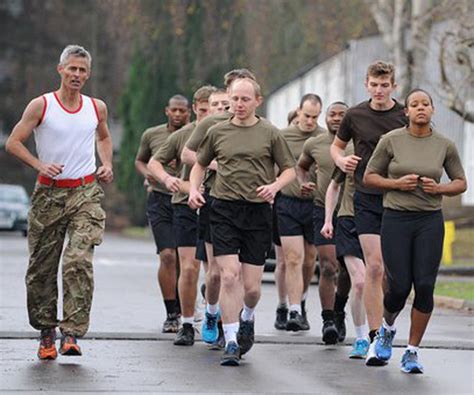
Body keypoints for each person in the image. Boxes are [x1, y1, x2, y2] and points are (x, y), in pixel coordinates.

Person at [5, 45, 113, 359]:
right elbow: (13, 142)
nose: (77, 75)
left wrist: (106, 164)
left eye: (82, 70)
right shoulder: (42, 105)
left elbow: (104, 137)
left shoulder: (96, 108)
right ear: (60, 69)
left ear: (88, 74)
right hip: (48, 195)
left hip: (85, 192)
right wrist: (39, 165)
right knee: (42, 268)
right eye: (72, 69)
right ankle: (46, 333)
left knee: (78, 261)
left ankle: (72, 333)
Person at [189, 78, 296, 366]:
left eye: (244, 99)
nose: (238, 105)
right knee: (228, 275)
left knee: (251, 288)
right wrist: (193, 190)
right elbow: (199, 164)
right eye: (234, 99)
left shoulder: (270, 133)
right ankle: (232, 339)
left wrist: (274, 187)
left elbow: (289, 170)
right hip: (223, 209)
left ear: (257, 101)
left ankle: (247, 316)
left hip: (257, 212)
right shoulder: (217, 130)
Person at [364, 88, 466, 373]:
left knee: (424, 286)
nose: (420, 108)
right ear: (406, 112)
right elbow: (370, 177)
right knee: (398, 286)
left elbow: (460, 182)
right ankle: (386, 330)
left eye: (426, 104)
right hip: (396, 219)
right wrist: (396, 184)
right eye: (414, 104)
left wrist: (441, 188)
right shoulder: (391, 140)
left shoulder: (444, 144)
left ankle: (412, 351)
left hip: (429, 220)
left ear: (432, 110)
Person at [330, 61, 407, 364]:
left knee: (394, 276)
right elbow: (336, 147)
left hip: (398, 199)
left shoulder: (404, 115)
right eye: (374, 85)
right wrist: (340, 161)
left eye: (384, 85)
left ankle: (387, 327)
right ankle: (375, 338)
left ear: (393, 86)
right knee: (373, 269)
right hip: (366, 198)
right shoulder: (355, 115)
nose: (378, 90)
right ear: (366, 84)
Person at [181, 69, 256, 349]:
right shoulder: (212, 124)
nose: (236, 101)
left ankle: (235, 326)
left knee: (238, 274)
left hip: (248, 205)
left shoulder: (257, 125)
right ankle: (212, 314)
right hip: (215, 199)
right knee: (215, 273)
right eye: (233, 93)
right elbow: (188, 155)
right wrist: (214, 166)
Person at [147, 85, 214, 346]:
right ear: (195, 109)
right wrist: (166, 178)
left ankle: (214, 316)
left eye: (218, 108)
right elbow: (154, 161)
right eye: (206, 109)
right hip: (185, 206)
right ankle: (185, 323)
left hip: (219, 207)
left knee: (216, 271)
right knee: (189, 267)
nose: (212, 113)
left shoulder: (227, 132)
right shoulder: (183, 135)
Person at [297, 102, 351, 344]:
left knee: (348, 269)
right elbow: (301, 167)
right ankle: (328, 320)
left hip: (352, 212)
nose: (337, 118)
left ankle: (339, 310)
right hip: (321, 210)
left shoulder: (358, 142)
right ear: (325, 118)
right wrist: (303, 181)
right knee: (328, 266)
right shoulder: (315, 143)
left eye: (342, 115)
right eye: (333, 114)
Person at [135, 94, 190, 333]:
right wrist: (148, 174)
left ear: (189, 112)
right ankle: (171, 313)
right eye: (174, 110)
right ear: (167, 111)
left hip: (186, 200)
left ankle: (184, 306)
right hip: (159, 199)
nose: (178, 114)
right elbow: (140, 160)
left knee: (183, 259)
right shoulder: (152, 134)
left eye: (182, 111)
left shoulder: (195, 133)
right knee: (167, 255)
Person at [320, 102, 370, 357]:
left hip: (381, 221)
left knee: (368, 281)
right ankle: (362, 338)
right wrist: (328, 220)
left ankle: (345, 314)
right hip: (348, 219)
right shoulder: (350, 155)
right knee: (360, 280)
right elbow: (333, 187)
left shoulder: (391, 152)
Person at [274, 94, 324, 332]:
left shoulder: (323, 137)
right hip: (287, 203)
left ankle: (301, 301)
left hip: (314, 206)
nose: (310, 121)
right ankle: (289, 308)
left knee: (309, 260)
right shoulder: (283, 137)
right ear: (298, 111)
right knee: (291, 259)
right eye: (306, 116)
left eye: (315, 117)